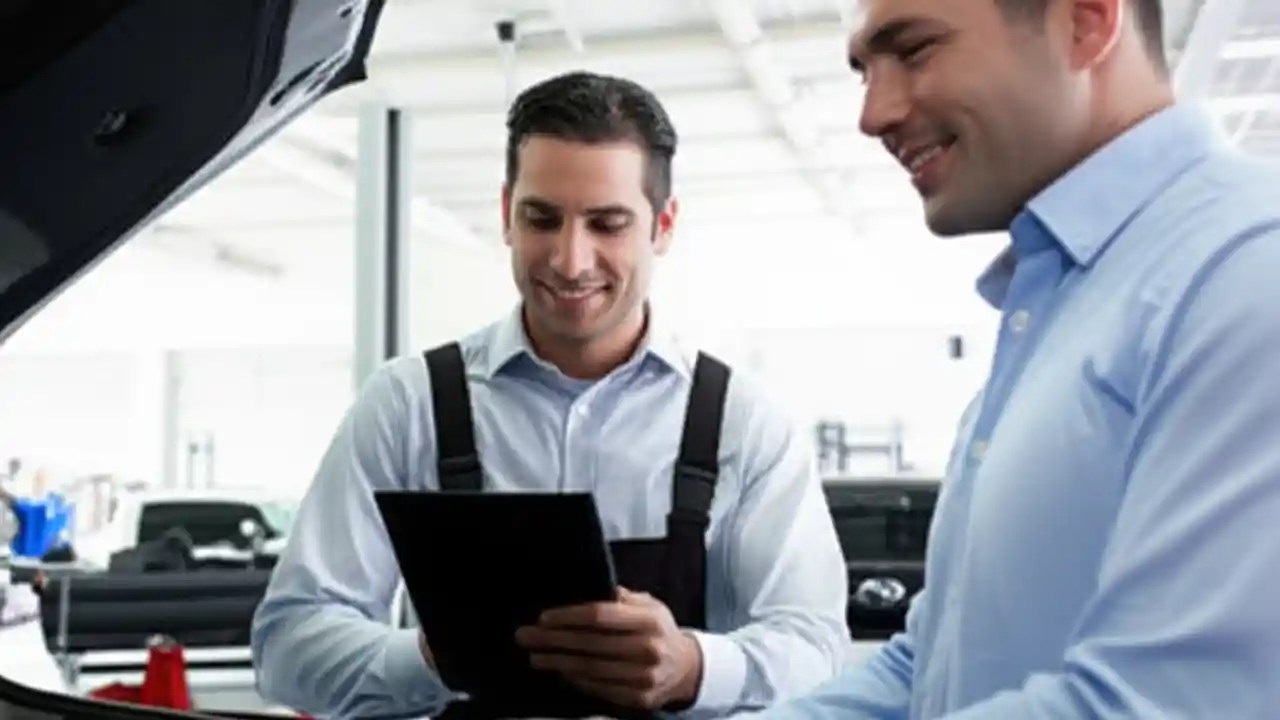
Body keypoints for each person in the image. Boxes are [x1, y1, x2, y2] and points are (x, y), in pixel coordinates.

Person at [251, 71, 850, 720]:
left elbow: (815, 647)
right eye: (543, 218)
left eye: (607, 223)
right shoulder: (409, 405)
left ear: (663, 226)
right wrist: (434, 656)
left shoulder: (743, 422)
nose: (570, 260)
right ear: (507, 212)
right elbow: (288, 647)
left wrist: (691, 666)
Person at [754, 0, 1280, 718]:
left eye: (912, 51)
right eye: (864, 72)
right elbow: (933, 667)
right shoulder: (1064, 306)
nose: (872, 115)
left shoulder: (1244, 271)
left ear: (1087, 22)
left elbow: (1173, 702)